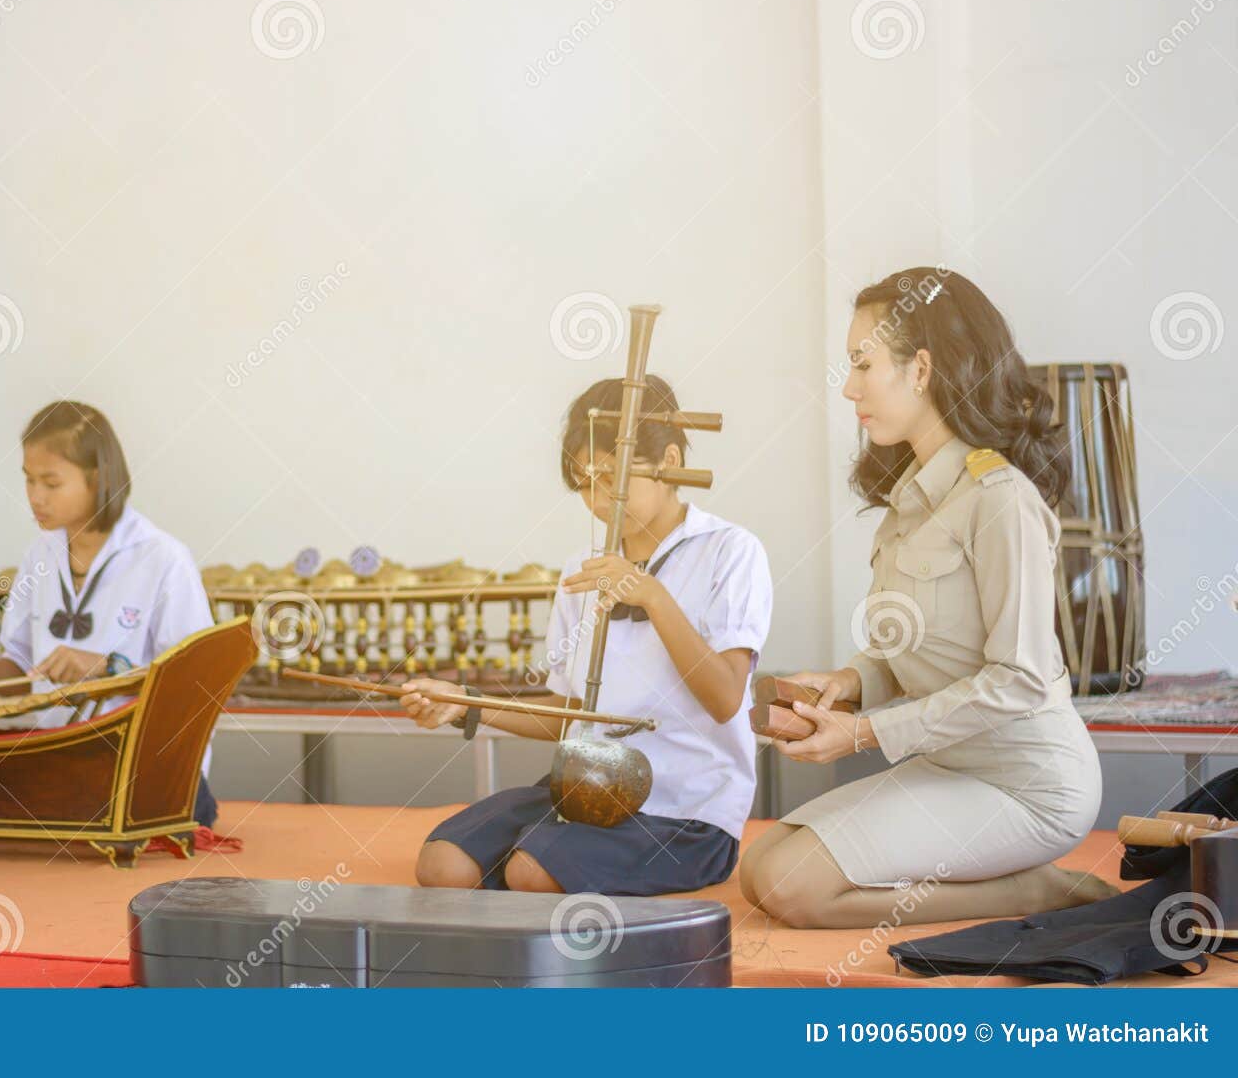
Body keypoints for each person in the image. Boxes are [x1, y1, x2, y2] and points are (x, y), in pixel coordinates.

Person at [738, 268, 1114, 928]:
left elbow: (1022, 678)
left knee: (792, 887)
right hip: (948, 766)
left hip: (1030, 786)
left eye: (863, 364)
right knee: (760, 867)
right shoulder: (908, 501)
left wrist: (863, 733)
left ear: (920, 370)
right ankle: (1022, 886)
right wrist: (850, 681)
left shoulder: (1000, 500)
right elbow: (915, 649)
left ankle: (1036, 891)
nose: (850, 387)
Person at [400, 375, 772, 895]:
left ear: (668, 460)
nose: (598, 500)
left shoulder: (730, 551)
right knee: (443, 865)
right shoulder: (583, 568)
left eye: (609, 478)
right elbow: (567, 710)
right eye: (583, 483)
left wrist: (653, 596)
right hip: (588, 790)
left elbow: (726, 698)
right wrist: (466, 702)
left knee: (532, 871)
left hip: (686, 811)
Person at [0, 401, 219, 827]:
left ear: (99, 479)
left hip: (149, 767)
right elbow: (21, 672)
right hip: (57, 757)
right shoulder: (40, 556)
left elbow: (201, 684)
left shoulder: (162, 559)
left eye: (51, 482)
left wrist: (109, 668)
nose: (35, 497)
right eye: (29, 480)